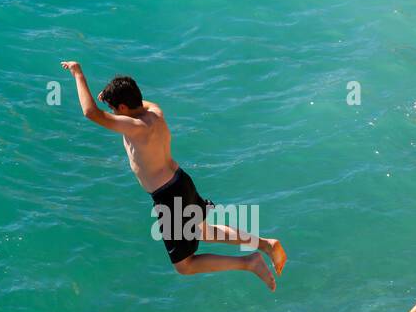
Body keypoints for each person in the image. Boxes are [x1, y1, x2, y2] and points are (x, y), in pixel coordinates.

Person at [61, 62, 287, 289]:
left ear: (122, 107)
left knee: (185, 265)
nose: (111, 112)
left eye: (113, 108)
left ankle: (249, 262)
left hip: (169, 195)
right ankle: (265, 244)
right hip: (180, 181)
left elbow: (91, 113)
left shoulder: (136, 127)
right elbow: (135, 102)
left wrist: (78, 74)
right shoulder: (154, 112)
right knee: (202, 231)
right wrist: (109, 96)